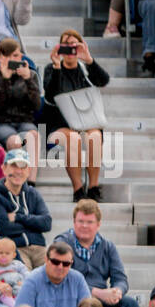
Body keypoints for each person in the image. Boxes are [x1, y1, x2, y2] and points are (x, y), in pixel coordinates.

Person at [44, 28, 110, 202]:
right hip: (59, 124)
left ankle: (94, 187)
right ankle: (78, 189)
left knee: (95, 136)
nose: (70, 49)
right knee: (73, 139)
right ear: (59, 48)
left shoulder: (86, 69)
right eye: (65, 45)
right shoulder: (51, 69)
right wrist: (57, 66)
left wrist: (89, 59)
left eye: (74, 45)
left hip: (88, 122)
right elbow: (50, 95)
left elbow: (104, 81)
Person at [54, 198, 142, 307]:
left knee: (131, 305)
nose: (84, 226)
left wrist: (117, 292)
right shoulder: (62, 243)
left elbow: (121, 278)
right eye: (81, 221)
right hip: (73, 297)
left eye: (89, 222)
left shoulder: (108, 246)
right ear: (74, 222)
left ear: (98, 224)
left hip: (102, 301)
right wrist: (97, 293)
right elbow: (62, 277)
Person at [0, 148, 51, 270]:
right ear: (4, 168)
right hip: (12, 249)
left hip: (39, 247)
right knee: (26, 278)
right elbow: (3, 227)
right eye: (13, 166)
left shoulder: (33, 194)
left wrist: (18, 217)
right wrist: (34, 226)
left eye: (23, 167)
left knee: (54, 273)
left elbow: (46, 223)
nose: (18, 171)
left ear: (29, 170)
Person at [15, 241, 92, 307]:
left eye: (66, 264)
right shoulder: (32, 281)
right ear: (46, 260)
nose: (60, 267)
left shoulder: (78, 280)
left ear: (71, 263)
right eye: (55, 262)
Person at [0, 40, 41, 153]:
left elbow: (36, 106)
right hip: (2, 122)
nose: (11, 59)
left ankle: (29, 171)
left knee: (33, 137)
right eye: (7, 56)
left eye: (15, 55)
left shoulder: (31, 75)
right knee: (15, 141)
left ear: (21, 57)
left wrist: (28, 80)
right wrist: (5, 79)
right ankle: (15, 169)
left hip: (25, 121)